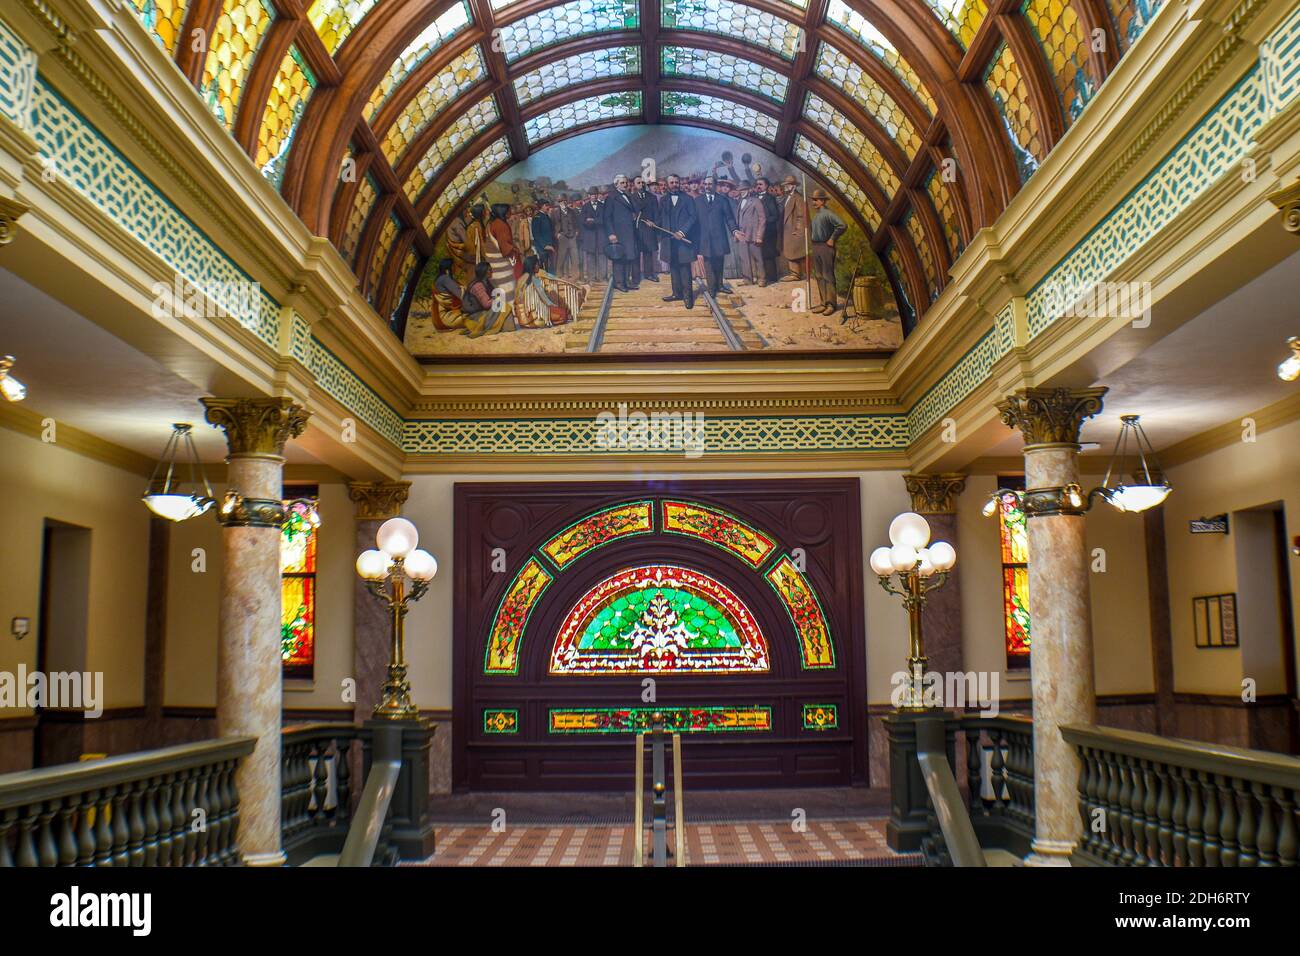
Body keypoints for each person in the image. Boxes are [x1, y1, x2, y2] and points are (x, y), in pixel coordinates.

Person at [657, 173, 699, 309]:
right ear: (668, 184)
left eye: (676, 182)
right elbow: (660, 217)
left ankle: (688, 297)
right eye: (672, 182)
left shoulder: (688, 199)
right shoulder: (663, 200)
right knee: (674, 267)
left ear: (679, 183)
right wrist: (653, 223)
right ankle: (677, 293)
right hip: (669, 240)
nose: (675, 184)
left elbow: (693, 217)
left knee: (685, 268)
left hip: (683, 239)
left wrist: (682, 232)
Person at [514, 254, 587, 328]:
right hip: (533, 317)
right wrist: (555, 306)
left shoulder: (520, 279)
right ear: (532, 266)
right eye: (537, 264)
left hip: (521, 319)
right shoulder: (534, 280)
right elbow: (545, 299)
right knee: (563, 314)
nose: (538, 266)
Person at [695, 175, 736, 298]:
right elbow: (694, 220)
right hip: (704, 238)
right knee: (708, 263)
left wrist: (734, 230)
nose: (707, 186)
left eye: (710, 184)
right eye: (705, 184)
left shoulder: (722, 200)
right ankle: (711, 288)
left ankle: (720, 285)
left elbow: (729, 218)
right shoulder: (697, 201)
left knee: (719, 261)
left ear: (714, 185)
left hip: (719, 237)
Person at [808, 188, 847, 315]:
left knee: (828, 275)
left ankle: (831, 304)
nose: (814, 202)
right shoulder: (816, 215)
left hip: (826, 247)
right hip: (816, 247)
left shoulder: (828, 214)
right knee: (819, 275)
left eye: (816, 200)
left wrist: (832, 238)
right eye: (813, 200)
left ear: (823, 201)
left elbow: (842, 225)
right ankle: (823, 303)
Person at [602, 173, 639, 293]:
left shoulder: (627, 195)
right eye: (622, 183)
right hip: (618, 233)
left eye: (626, 182)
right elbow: (607, 217)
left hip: (629, 232)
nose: (625, 184)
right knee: (618, 258)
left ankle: (626, 282)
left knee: (628, 257)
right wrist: (611, 233)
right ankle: (618, 283)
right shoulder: (612, 197)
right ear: (616, 184)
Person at [462, 261, 515, 337]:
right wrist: (498, 298)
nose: (492, 272)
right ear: (484, 272)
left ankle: (507, 328)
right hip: (474, 316)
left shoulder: (486, 282)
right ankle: (505, 328)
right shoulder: (478, 286)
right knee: (504, 306)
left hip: (482, 311)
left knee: (503, 306)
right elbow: (486, 304)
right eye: (490, 270)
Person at [485, 203, 520, 306]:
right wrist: (515, 250)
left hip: (492, 263)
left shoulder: (491, 223)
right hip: (501, 265)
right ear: (503, 212)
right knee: (507, 291)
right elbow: (505, 248)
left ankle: (499, 318)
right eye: (508, 211)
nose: (510, 212)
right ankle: (508, 317)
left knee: (497, 291)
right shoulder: (500, 225)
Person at [733, 183, 767, 287]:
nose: (742, 191)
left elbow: (762, 219)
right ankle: (747, 279)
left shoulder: (756, 201)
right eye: (740, 190)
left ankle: (762, 279)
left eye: (744, 189)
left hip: (753, 235)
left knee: (758, 258)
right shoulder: (740, 202)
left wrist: (759, 236)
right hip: (742, 235)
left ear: (749, 190)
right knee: (744, 258)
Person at [780, 174, 808, 282]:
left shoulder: (798, 198)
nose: (786, 186)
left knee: (795, 252)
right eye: (786, 184)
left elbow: (801, 216)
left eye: (788, 185)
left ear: (793, 186)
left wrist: (798, 230)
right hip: (788, 230)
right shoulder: (789, 197)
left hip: (794, 230)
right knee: (790, 252)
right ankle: (794, 273)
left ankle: (796, 274)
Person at [633, 175, 659, 283]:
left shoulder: (652, 197)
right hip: (636, 229)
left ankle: (649, 274)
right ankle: (636, 277)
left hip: (649, 228)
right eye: (638, 183)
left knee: (648, 252)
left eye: (642, 183)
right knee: (636, 253)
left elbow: (657, 213)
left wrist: (654, 223)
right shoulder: (631, 198)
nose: (641, 185)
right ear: (634, 185)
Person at [430, 258, 467, 331]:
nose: (455, 268)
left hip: (444, 317)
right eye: (454, 266)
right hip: (448, 317)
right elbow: (462, 295)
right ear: (449, 268)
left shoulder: (441, 279)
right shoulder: (445, 279)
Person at [756, 176, 780, 284]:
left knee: (769, 254)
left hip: (769, 231)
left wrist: (763, 222)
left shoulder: (770, 198)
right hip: (760, 231)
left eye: (760, 184)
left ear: (766, 186)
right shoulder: (755, 198)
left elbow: (775, 215)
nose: (758, 186)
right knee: (760, 254)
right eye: (757, 184)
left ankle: (772, 278)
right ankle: (764, 277)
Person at [579, 187, 603, 281]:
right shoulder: (585, 207)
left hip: (601, 236)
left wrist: (592, 220)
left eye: (596, 194)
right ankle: (591, 278)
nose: (595, 196)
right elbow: (582, 221)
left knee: (601, 256)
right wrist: (591, 221)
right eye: (593, 195)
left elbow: (603, 220)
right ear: (589, 196)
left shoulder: (602, 205)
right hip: (590, 236)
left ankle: (601, 277)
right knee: (590, 257)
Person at [555, 195, 580, 280]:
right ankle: (560, 275)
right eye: (562, 201)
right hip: (563, 236)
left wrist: (576, 231)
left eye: (565, 200)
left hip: (572, 236)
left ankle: (575, 275)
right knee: (562, 256)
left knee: (574, 256)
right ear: (559, 203)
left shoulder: (572, 211)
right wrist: (557, 234)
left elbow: (576, 222)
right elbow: (553, 225)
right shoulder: (555, 212)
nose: (564, 202)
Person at [531, 202, 556, 273]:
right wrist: (545, 246)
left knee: (549, 268)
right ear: (541, 206)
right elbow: (536, 234)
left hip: (549, 246)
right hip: (542, 248)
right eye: (546, 205)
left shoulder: (546, 216)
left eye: (548, 205)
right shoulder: (537, 217)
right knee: (543, 269)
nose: (548, 207)